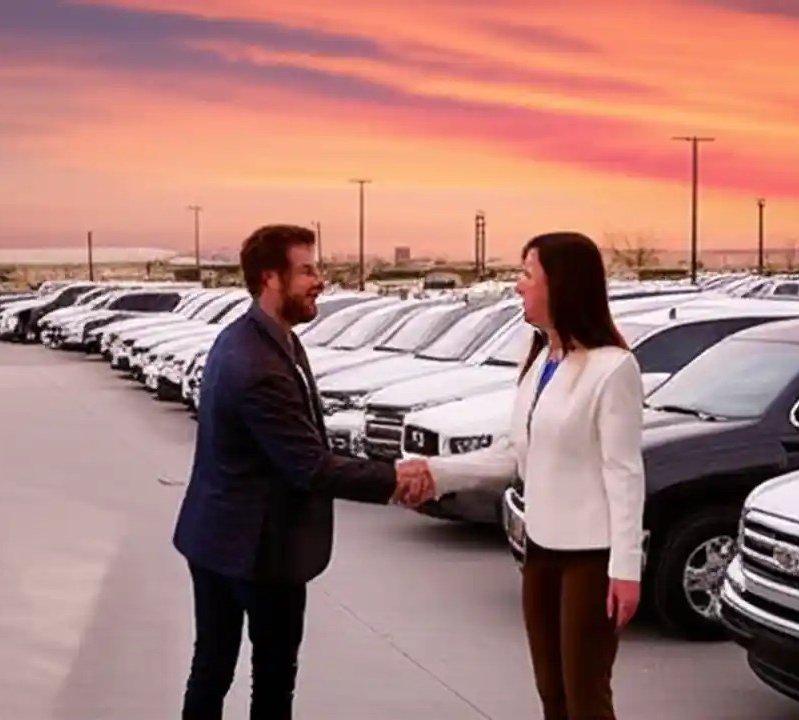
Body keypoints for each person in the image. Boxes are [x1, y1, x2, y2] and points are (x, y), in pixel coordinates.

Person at [172, 223, 435, 720]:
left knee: (212, 665)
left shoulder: (259, 338)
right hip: (255, 549)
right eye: (309, 270)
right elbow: (308, 466)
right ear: (271, 278)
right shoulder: (257, 363)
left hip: (216, 537)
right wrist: (395, 477)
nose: (322, 280)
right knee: (267, 679)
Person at [402, 231, 646, 720]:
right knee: (551, 693)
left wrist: (626, 569)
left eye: (526, 275)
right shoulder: (540, 361)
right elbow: (517, 456)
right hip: (541, 552)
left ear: (561, 285)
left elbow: (624, 474)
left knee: (585, 699)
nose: (517, 286)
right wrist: (435, 472)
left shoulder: (612, 368)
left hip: (591, 559)